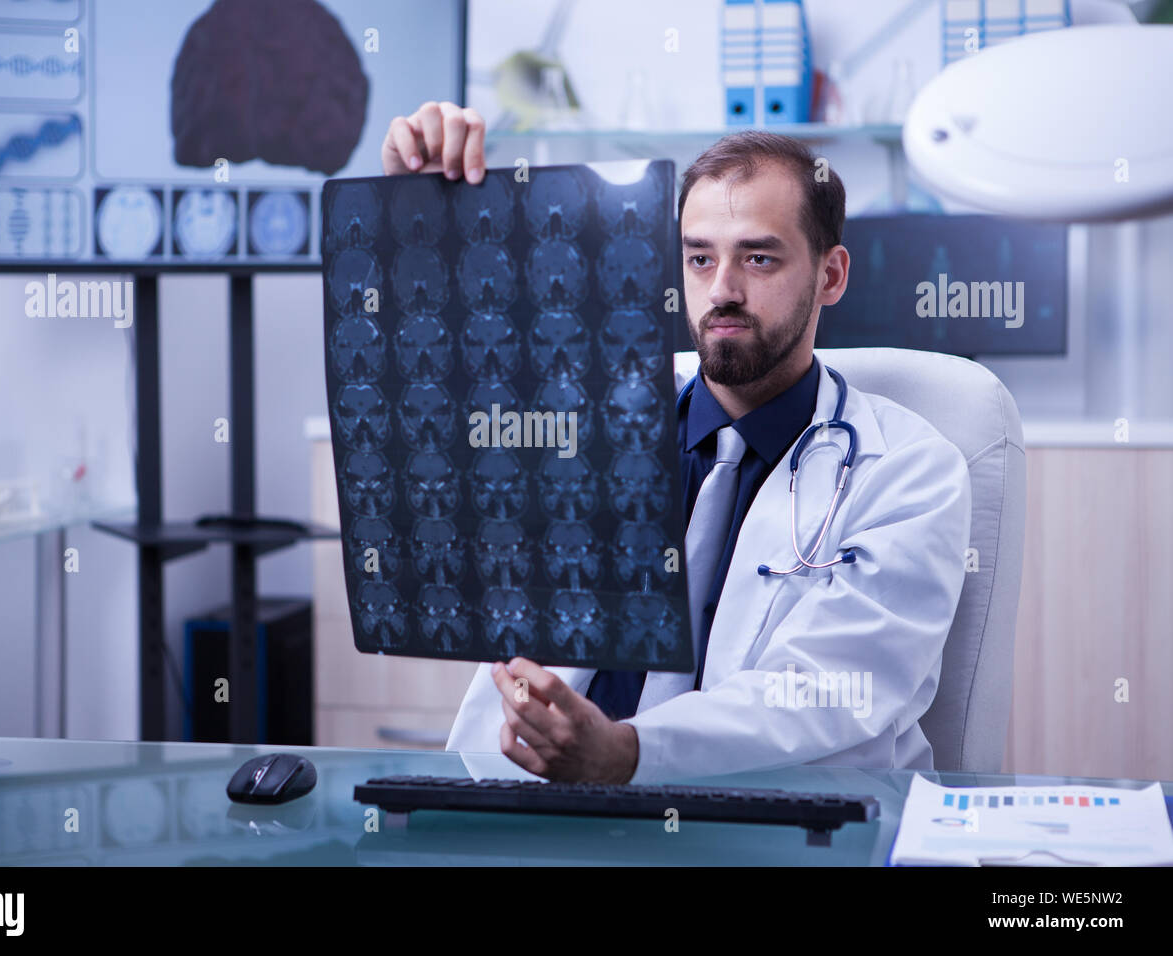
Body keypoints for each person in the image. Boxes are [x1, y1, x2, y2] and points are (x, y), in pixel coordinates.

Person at [380, 101, 972, 785]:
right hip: (538, 811)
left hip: (771, 829)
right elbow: (430, 409)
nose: (722, 291)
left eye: (759, 257)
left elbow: (826, 693)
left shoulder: (908, 471)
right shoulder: (584, 417)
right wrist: (417, 213)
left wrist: (627, 755)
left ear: (830, 275)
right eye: (699, 257)